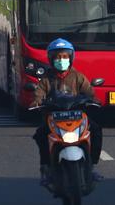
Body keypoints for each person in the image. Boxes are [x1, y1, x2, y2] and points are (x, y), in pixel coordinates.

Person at [30, 38, 103, 186]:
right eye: (58, 57)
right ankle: (46, 166)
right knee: (40, 134)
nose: (61, 60)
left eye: (64, 57)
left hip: (77, 116)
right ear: (51, 59)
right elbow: (39, 93)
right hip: (54, 117)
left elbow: (89, 92)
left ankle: (92, 165)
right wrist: (36, 102)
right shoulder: (46, 79)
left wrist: (94, 99)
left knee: (96, 130)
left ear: (70, 58)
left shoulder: (78, 76)